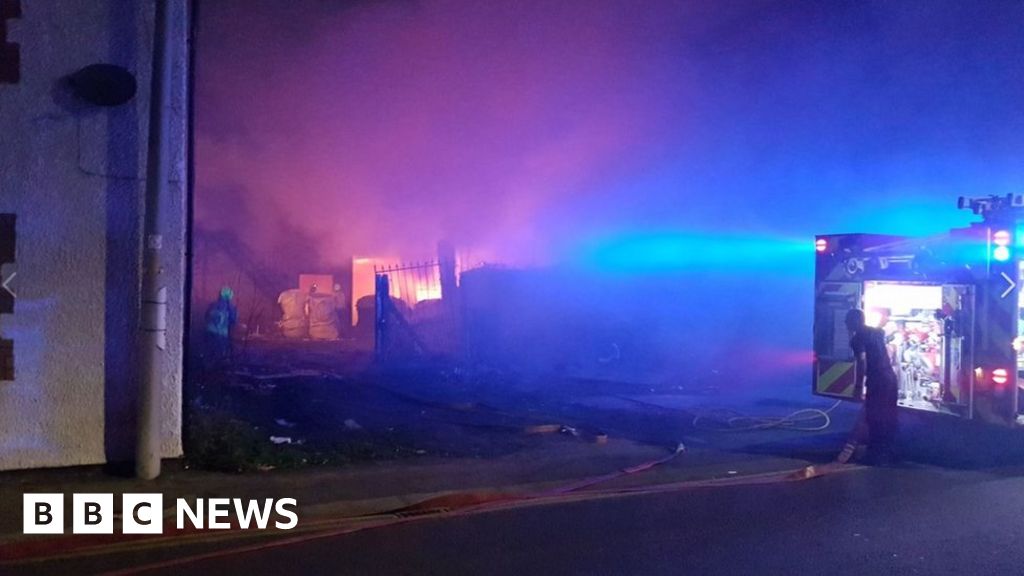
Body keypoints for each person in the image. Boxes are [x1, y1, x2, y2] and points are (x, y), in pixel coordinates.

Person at [836, 308, 900, 465]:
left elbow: (862, 363)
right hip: (891, 379)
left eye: (848, 321)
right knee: (889, 417)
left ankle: (876, 456)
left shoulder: (857, 340)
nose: (846, 324)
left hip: (877, 381)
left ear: (855, 322)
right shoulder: (877, 333)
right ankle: (890, 453)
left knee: (875, 418)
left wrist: (858, 388)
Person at [204, 286, 238, 367]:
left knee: (209, 353)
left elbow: (206, 317)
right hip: (221, 335)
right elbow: (233, 321)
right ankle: (218, 370)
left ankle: (207, 369)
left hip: (209, 333)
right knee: (220, 354)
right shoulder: (231, 308)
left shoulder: (212, 305)